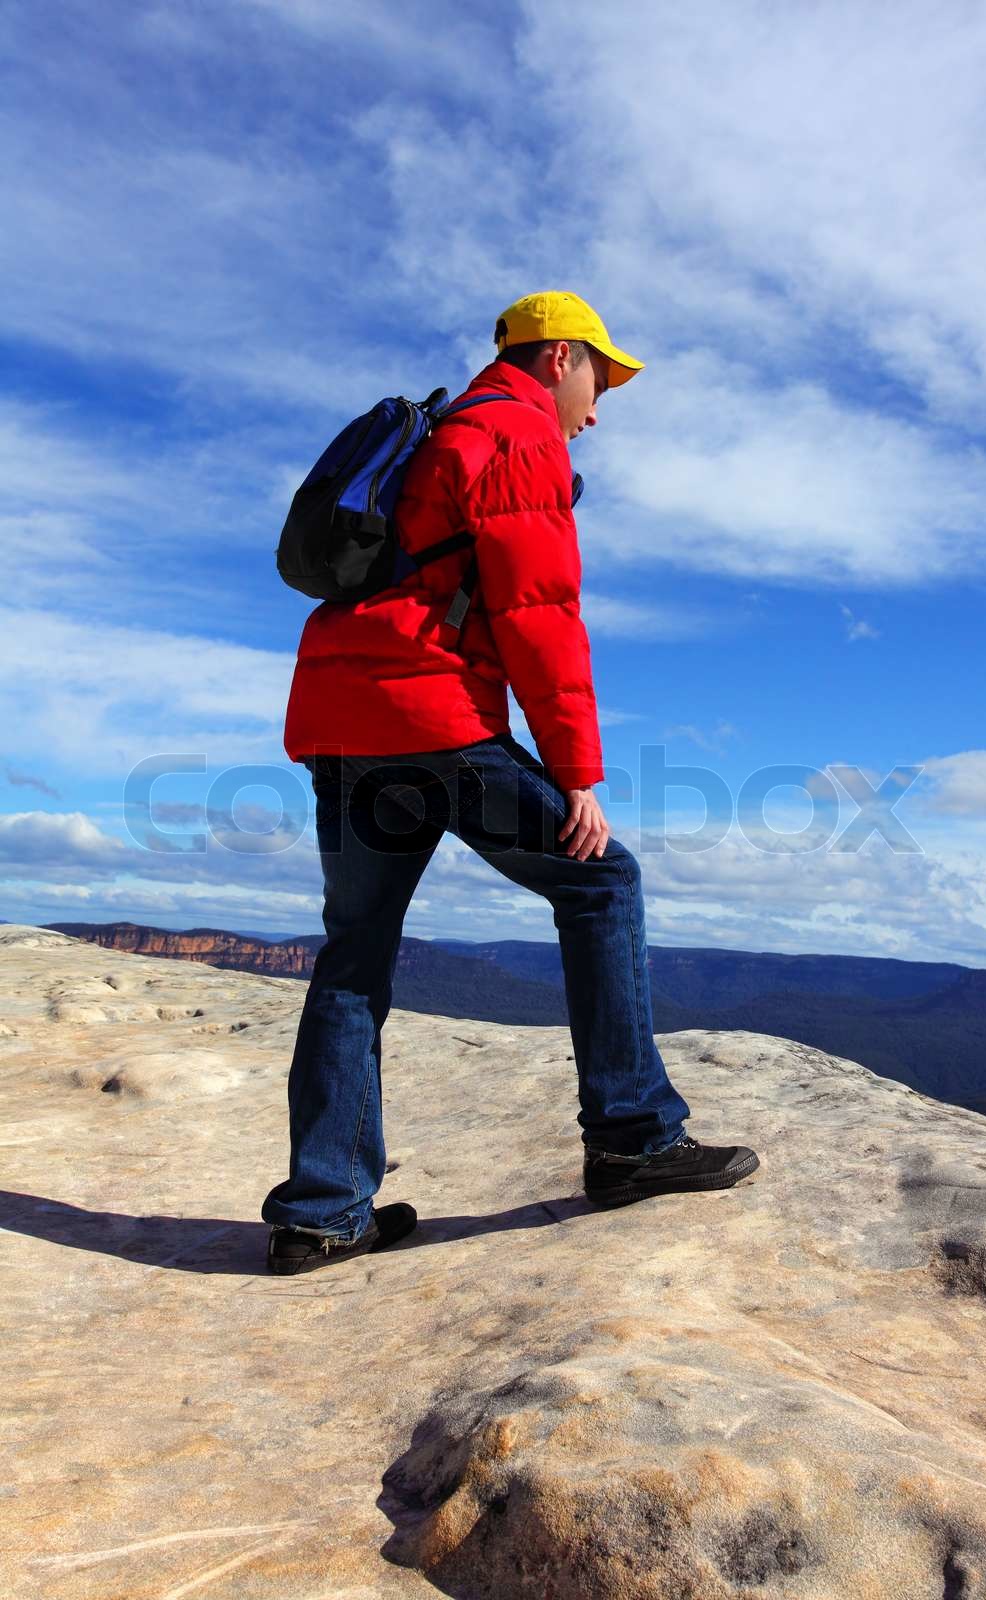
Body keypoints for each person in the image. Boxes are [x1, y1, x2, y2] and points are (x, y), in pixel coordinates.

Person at [263, 291, 759, 1274]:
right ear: (557, 356)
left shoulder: (436, 433)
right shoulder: (515, 436)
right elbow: (539, 613)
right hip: (430, 711)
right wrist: (575, 773)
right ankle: (631, 1138)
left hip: (340, 715)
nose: (599, 406)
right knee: (600, 879)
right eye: (599, 379)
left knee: (354, 958)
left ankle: (323, 1211)